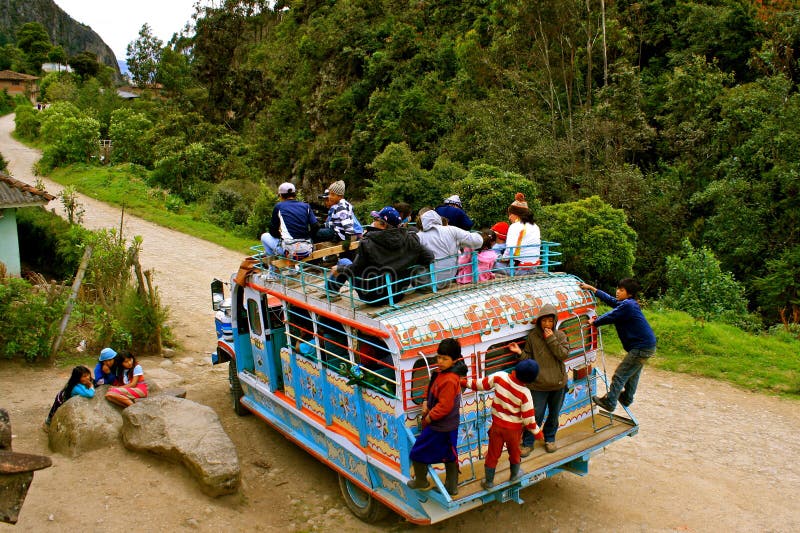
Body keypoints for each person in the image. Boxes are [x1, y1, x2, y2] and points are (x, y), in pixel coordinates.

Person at [461, 360, 542, 489]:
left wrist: (464, 382)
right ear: (530, 380)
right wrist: (537, 433)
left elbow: (480, 384)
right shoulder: (525, 393)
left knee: (493, 454)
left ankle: (489, 482)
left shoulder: (500, 376)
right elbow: (529, 420)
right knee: (515, 452)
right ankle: (514, 475)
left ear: (515, 369)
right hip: (514, 431)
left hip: (496, 427)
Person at [578, 278, 657, 412]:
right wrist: (593, 289)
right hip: (647, 346)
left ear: (629, 294)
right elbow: (611, 300)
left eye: (621, 290)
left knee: (620, 375)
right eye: (618, 289)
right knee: (633, 374)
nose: (617, 292)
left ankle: (610, 402)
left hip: (640, 347)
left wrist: (595, 322)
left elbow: (611, 315)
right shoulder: (628, 304)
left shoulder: (628, 306)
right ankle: (627, 398)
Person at [330, 206, 434, 305]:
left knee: (343, 262)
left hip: (372, 296)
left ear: (382, 224)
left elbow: (355, 270)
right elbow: (429, 257)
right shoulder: (412, 239)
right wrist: (408, 265)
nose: (372, 221)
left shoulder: (367, 243)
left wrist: (340, 269)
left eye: (375, 219)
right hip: (397, 294)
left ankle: (331, 293)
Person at [406, 338, 468, 496]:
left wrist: (429, 418)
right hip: (446, 425)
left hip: (440, 426)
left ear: (455, 360)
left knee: (417, 452)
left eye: (445, 359)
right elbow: (431, 386)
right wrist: (426, 400)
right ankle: (451, 487)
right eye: (439, 357)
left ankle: (421, 480)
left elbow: (444, 406)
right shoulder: (440, 373)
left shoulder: (450, 380)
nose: (440, 361)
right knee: (449, 454)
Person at [509, 303, 570, 455]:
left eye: (550, 321)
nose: (547, 324)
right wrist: (519, 352)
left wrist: (551, 339)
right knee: (535, 415)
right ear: (539, 321)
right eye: (544, 321)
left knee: (554, 414)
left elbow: (563, 354)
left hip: (558, 384)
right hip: (538, 385)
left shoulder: (560, 335)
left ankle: (550, 439)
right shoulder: (533, 337)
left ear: (555, 321)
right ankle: (528, 443)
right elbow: (529, 359)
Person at [416, 208, 483, 288]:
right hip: (447, 280)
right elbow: (479, 241)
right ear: (438, 217)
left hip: (425, 284)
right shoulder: (452, 230)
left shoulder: (418, 236)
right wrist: (460, 242)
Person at [261, 182, 320, 259]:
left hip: (290, 252)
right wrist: (308, 236)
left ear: (281, 196)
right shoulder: (306, 206)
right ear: (294, 195)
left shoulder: (279, 206)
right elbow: (316, 226)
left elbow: (272, 230)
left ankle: (273, 269)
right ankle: (293, 268)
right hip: (306, 250)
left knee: (264, 236)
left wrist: (280, 236)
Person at [499, 193, 541, 275]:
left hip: (520, 269)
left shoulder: (515, 226)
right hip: (534, 266)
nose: (509, 217)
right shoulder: (535, 226)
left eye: (510, 214)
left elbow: (511, 249)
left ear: (516, 215)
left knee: (493, 264)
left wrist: (502, 259)